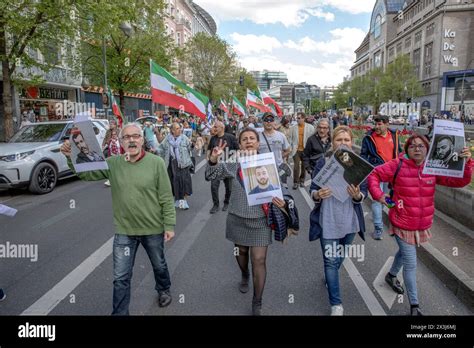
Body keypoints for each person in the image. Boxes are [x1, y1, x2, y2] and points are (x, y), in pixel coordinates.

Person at [60, 123, 176, 315]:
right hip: (125, 231)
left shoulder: (156, 163)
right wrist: (70, 157)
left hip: (153, 229)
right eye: (127, 137)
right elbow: (88, 174)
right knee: (120, 277)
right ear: (121, 142)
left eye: (136, 136)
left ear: (142, 139)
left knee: (159, 264)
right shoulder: (113, 163)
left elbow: (165, 196)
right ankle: (120, 313)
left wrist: (169, 225)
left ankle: (163, 289)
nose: (132, 140)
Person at [368, 134, 472, 316]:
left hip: (421, 224)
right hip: (401, 222)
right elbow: (374, 175)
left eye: (421, 146)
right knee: (411, 262)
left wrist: (468, 163)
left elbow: (459, 181)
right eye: (413, 146)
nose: (417, 149)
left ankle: (391, 276)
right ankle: (415, 306)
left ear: (427, 149)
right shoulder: (397, 164)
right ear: (407, 149)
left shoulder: (433, 167)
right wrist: (380, 196)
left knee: (405, 252)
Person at [205, 128, 287, 315]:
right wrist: (214, 159)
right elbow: (211, 175)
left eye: (252, 138)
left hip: (261, 220)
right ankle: (244, 273)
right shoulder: (233, 162)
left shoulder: (269, 162)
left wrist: (282, 200)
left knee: (259, 259)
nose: (249, 141)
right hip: (237, 218)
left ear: (258, 143)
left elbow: (281, 189)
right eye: (245, 139)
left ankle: (257, 301)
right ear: (240, 144)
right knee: (240, 252)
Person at [309, 126, 367, 316]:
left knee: (339, 257)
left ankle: (330, 277)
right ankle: (336, 304)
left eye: (346, 140)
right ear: (332, 143)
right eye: (339, 140)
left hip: (349, 220)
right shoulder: (322, 162)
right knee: (331, 262)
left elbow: (363, 193)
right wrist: (318, 193)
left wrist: (358, 195)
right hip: (328, 218)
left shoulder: (359, 164)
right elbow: (314, 189)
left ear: (352, 142)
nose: (343, 143)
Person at [360, 115, 402, 240]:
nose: (376, 126)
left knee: (389, 201)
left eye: (380, 124)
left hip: (392, 175)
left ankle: (389, 222)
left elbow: (399, 152)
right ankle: (378, 228)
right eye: (375, 124)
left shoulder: (394, 135)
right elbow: (363, 155)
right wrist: (371, 166)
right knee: (377, 200)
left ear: (387, 124)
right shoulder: (369, 138)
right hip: (377, 174)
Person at [157, 122, 193, 210]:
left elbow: (189, 149)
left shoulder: (184, 138)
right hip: (172, 164)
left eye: (179, 128)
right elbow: (160, 149)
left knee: (184, 182)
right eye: (177, 128)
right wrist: (159, 157)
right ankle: (177, 200)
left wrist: (189, 159)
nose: (179, 130)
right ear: (172, 130)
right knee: (174, 183)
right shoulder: (167, 139)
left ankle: (183, 201)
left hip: (183, 163)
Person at [207, 121, 239, 214]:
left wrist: (232, 159)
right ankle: (215, 205)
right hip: (216, 166)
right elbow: (209, 149)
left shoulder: (231, 137)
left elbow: (238, 150)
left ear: (222, 128)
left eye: (216, 127)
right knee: (214, 186)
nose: (214, 128)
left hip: (228, 166)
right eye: (214, 126)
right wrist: (209, 158)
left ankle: (227, 202)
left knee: (229, 187)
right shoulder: (213, 138)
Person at [258, 113, 291, 187]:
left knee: (280, 192)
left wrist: (279, 157)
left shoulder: (281, 136)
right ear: (262, 122)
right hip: (263, 171)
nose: (269, 122)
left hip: (278, 170)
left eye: (271, 120)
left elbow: (288, 150)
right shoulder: (257, 137)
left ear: (274, 122)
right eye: (266, 120)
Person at [288, 112, 315, 189]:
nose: (298, 120)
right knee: (296, 166)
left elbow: (312, 139)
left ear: (303, 118)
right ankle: (295, 182)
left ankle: (302, 181)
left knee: (304, 166)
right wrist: (290, 147)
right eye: (297, 118)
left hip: (305, 150)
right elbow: (290, 138)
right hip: (296, 150)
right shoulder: (293, 128)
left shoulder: (310, 127)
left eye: (299, 118)